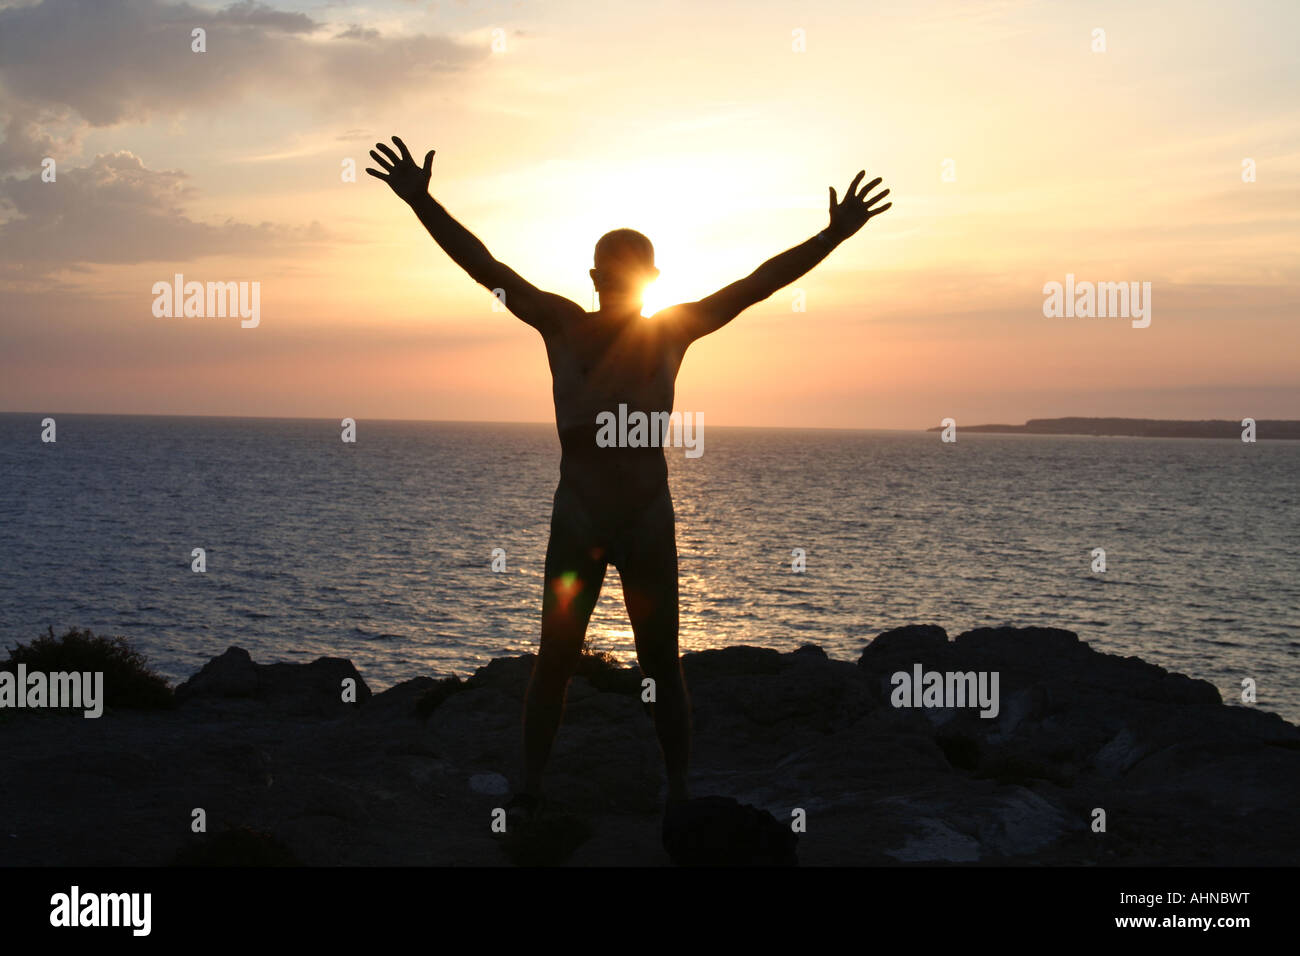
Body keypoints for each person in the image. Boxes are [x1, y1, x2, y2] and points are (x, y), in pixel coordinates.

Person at [366, 136, 892, 821]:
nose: (613, 280)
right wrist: (422, 202)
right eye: (613, 271)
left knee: (644, 663)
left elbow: (758, 283)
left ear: (634, 277)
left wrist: (832, 236)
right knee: (576, 662)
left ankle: (655, 791)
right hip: (594, 517)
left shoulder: (647, 329)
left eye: (622, 271)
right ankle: (548, 791)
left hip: (628, 518)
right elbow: (483, 265)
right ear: (610, 276)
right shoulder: (573, 324)